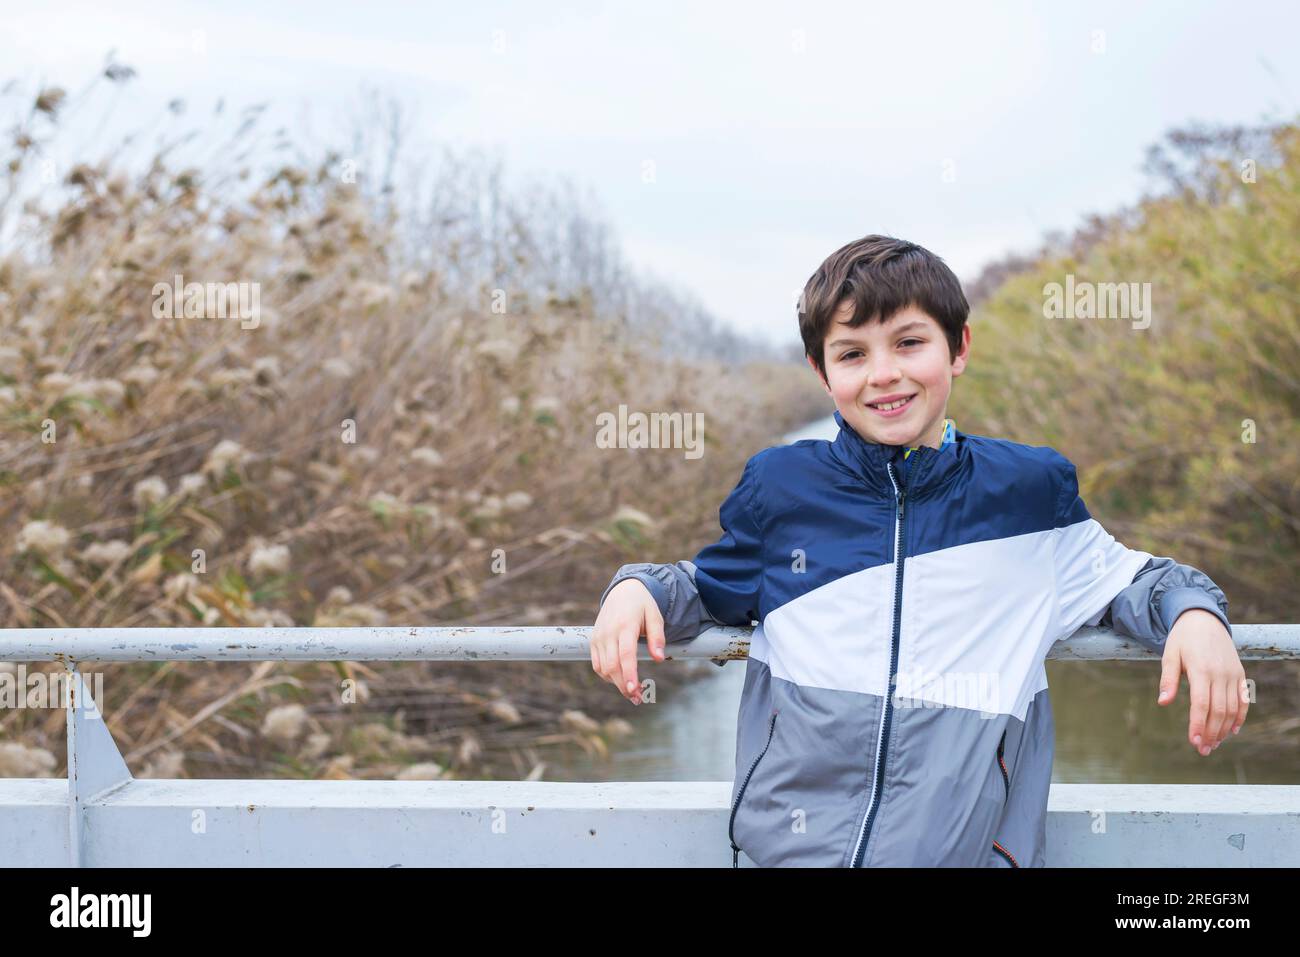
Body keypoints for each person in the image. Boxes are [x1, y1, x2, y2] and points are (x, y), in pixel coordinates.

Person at [590, 234, 1248, 867]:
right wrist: (637, 588)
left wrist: (1194, 615)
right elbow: (709, 586)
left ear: (958, 347)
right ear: (822, 373)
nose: (884, 375)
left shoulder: (1027, 494)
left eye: (909, 342)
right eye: (852, 354)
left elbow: (1139, 581)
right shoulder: (781, 488)